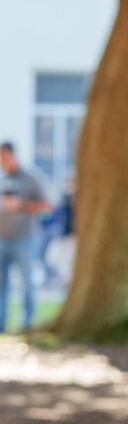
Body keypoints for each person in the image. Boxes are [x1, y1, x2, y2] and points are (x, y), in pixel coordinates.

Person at [0, 142, 53, 333]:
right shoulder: (2, 178)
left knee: (27, 283)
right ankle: (1, 324)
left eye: (5, 157)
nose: (2, 161)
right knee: (1, 284)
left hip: (25, 238)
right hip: (2, 238)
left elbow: (48, 205)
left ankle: (27, 323)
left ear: (13, 155)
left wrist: (21, 205)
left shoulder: (31, 178)